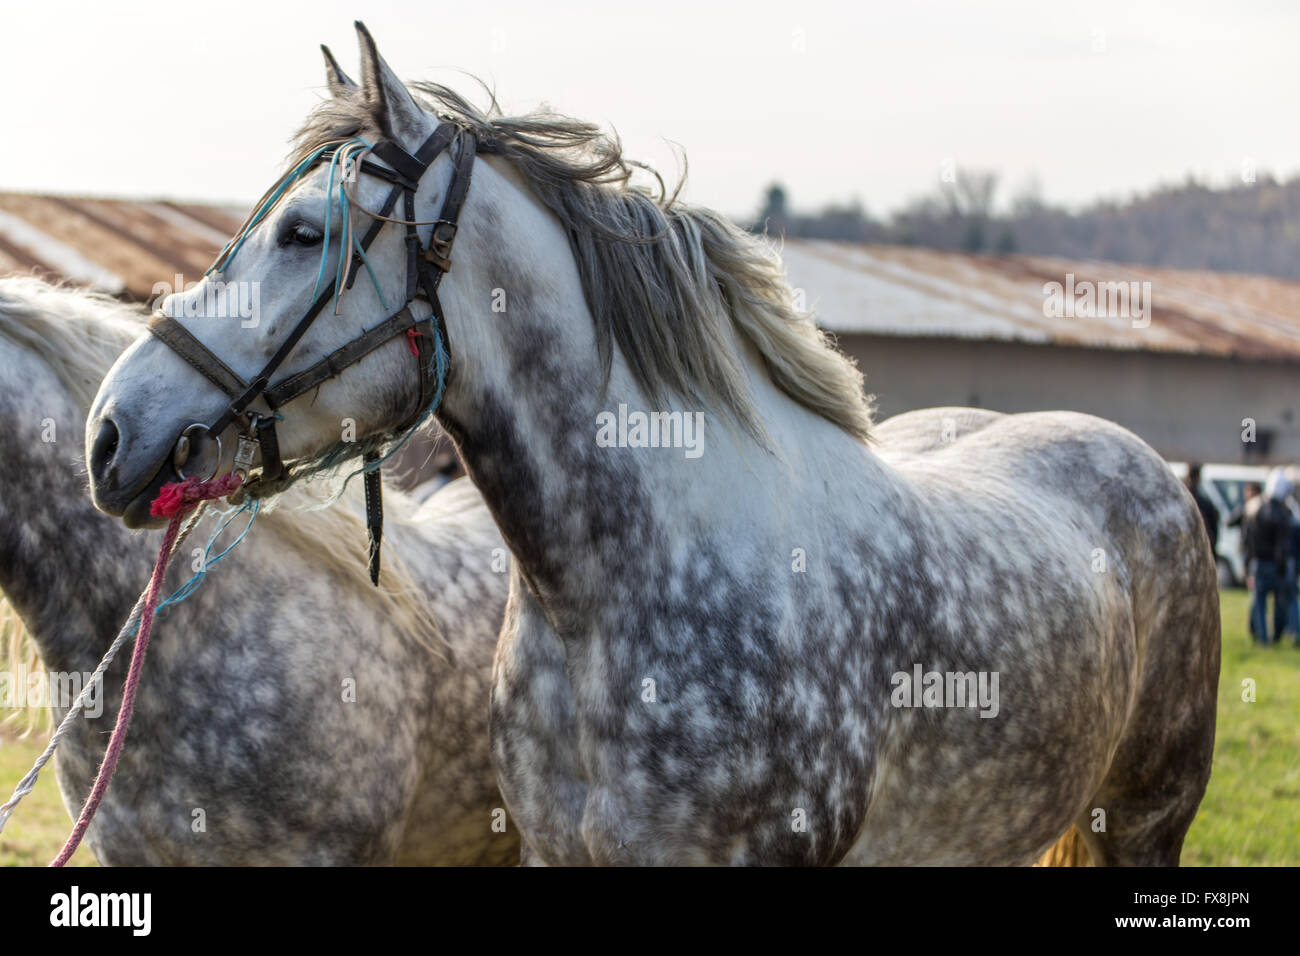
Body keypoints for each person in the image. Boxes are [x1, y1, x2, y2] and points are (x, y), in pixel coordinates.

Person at [1244, 468, 1297, 645]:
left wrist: (1248, 563)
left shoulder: (1255, 509)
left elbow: (1248, 540)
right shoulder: (1284, 513)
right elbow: (1283, 544)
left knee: (1259, 603)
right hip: (1275, 564)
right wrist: (1284, 566)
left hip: (1259, 563)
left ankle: (1263, 638)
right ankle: (1284, 634)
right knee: (1283, 601)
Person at [1186, 464, 1220, 558]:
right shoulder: (1203, 501)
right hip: (1200, 549)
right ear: (1198, 477)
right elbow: (1213, 527)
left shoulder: (1180, 497)